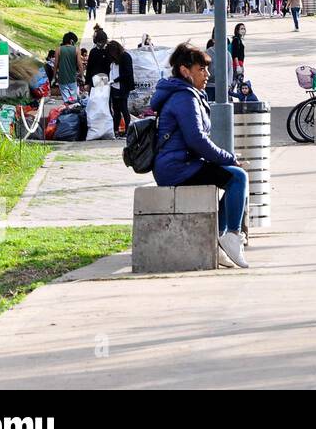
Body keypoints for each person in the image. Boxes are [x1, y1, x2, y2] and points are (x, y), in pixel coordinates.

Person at [151, 43, 249, 268]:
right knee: (237, 177)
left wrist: (226, 159)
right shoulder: (184, 97)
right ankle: (230, 236)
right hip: (176, 168)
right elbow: (197, 139)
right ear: (185, 71)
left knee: (234, 176)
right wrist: (229, 158)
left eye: (207, 69)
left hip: (181, 164)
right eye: (201, 70)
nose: (207, 74)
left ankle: (219, 237)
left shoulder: (187, 94)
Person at [105, 39, 135, 135]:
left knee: (123, 108)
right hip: (114, 86)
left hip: (123, 86)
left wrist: (115, 80)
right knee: (116, 110)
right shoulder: (113, 60)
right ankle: (115, 130)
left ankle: (127, 130)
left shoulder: (125, 57)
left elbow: (127, 73)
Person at [54, 32, 80, 102]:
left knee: (66, 99)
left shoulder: (58, 49)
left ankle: (67, 109)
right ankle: (73, 110)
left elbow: (55, 65)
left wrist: (54, 77)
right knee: (74, 99)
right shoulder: (76, 49)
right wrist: (82, 76)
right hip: (72, 78)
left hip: (62, 79)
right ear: (71, 41)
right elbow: (80, 64)